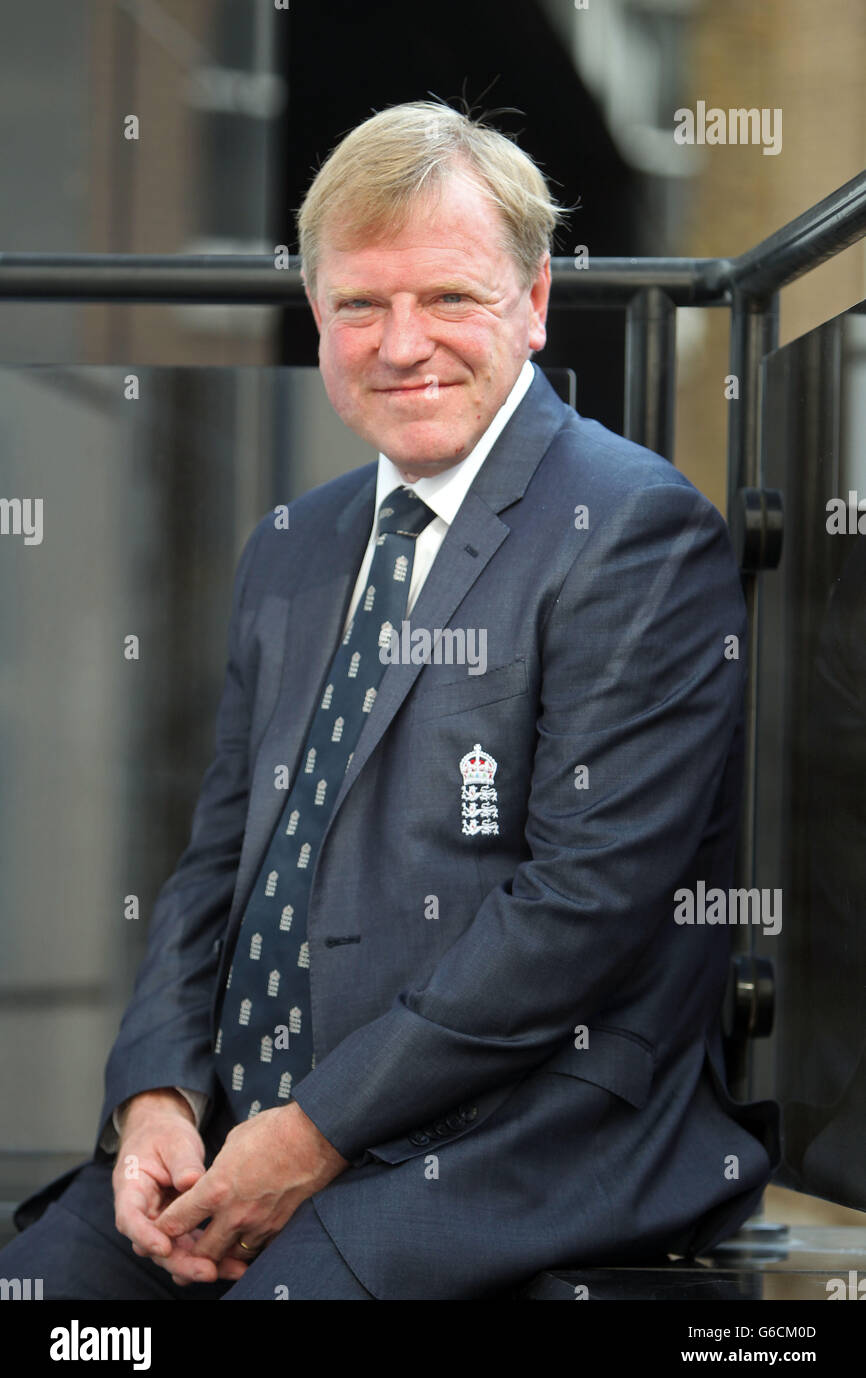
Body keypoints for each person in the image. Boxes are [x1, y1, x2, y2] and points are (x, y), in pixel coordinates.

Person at [1, 99, 779, 1301]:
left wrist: (310, 1134)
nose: (400, 342)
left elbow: (579, 908)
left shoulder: (630, 530)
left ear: (530, 303)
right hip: (242, 1132)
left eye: (448, 298)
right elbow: (219, 854)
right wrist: (155, 1091)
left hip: (503, 1136)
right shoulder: (295, 544)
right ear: (316, 315)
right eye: (358, 304)